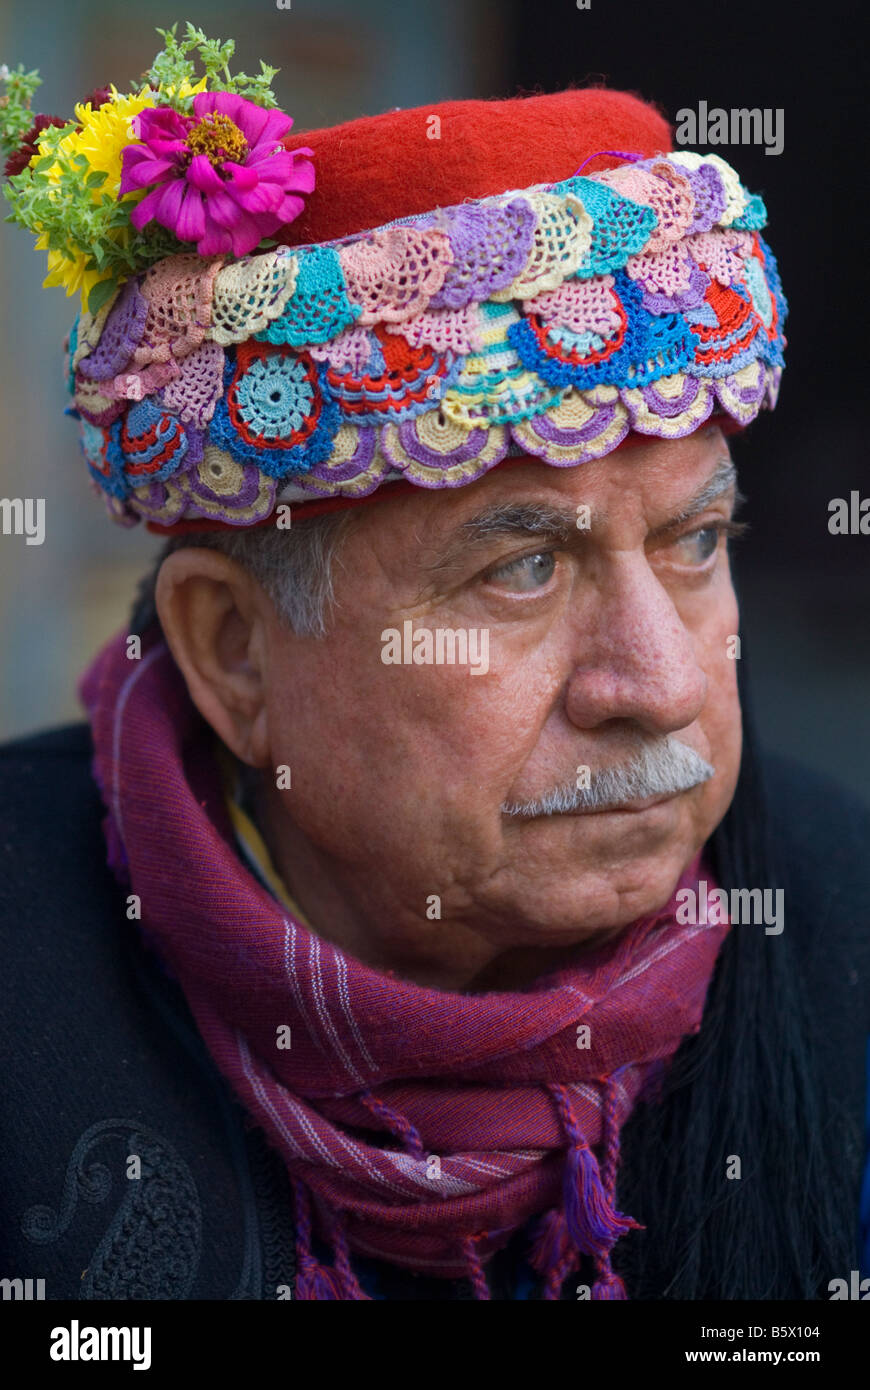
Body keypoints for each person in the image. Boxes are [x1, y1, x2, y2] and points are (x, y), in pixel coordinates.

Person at [1, 27, 868, 1302]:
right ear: (235, 654)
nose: (663, 685)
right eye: (521, 570)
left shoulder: (845, 914)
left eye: (695, 540)